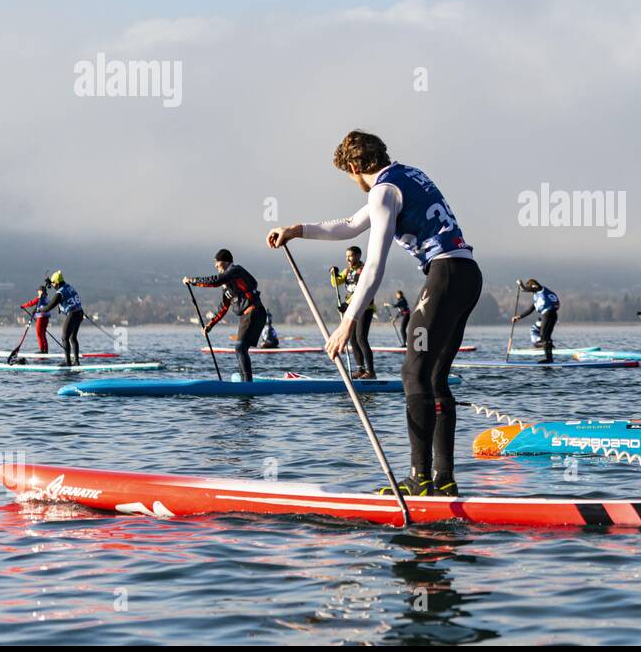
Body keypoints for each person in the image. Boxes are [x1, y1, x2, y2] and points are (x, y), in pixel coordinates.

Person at [266, 130, 481, 498]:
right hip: (467, 276)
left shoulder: (382, 191)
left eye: (349, 176)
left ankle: (419, 479)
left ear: (354, 167)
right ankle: (444, 481)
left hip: (444, 276)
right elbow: (350, 225)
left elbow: (375, 264)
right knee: (434, 380)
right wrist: (295, 230)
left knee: (413, 374)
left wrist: (347, 321)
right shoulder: (405, 176)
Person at [184, 250, 267, 382]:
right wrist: (210, 325)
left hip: (254, 313)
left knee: (240, 348)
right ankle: (245, 381)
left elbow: (215, 281)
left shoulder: (235, 271)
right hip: (247, 316)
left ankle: (247, 384)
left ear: (226, 261)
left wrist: (192, 281)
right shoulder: (226, 285)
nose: (215, 265)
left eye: (217, 262)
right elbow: (223, 307)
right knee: (240, 349)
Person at [330, 246, 377, 377]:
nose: (348, 259)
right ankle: (360, 369)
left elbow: (360, 291)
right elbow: (336, 283)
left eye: (350, 256)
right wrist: (333, 274)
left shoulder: (364, 271)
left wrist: (347, 304)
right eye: (346, 256)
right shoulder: (348, 270)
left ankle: (371, 372)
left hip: (365, 307)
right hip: (352, 307)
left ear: (358, 256)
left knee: (361, 338)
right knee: (353, 339)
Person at [40, 271, 85, 366]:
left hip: (73, 314)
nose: (53, 285)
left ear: (56, 283)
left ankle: (68, 363)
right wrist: (50, 282)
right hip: (80, 313)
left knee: (65, 338)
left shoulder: (59, 294)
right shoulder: (68, 286)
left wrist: (39, 309)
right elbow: (57, 285)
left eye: (53, 283)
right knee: (73, 338)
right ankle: (76, 361)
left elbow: (48, 307)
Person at [513, 279, 559, 363]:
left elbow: (525, 289)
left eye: (530, 289)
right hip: (551, 315)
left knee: (543, 336)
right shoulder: (538, 297)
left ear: (532, 286)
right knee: (545, 337)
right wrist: (519, 317)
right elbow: (530, 310)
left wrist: (520, 284)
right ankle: (550, 357)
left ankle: (549, 359)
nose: (531, 292)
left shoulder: (540, 289)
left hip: (548, 315)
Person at [19, 282, 52, 354]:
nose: (38, 292)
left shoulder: (39, 298)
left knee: (39, 334)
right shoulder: (47, 299)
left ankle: (41, 350)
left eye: (38, 291)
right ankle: (45, 350)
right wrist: (34, 311)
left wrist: (23, 306)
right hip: (46, 318)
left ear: (41, 291)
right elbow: (39, 306)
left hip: (41, 318)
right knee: (43, 334)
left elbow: (31, 303)